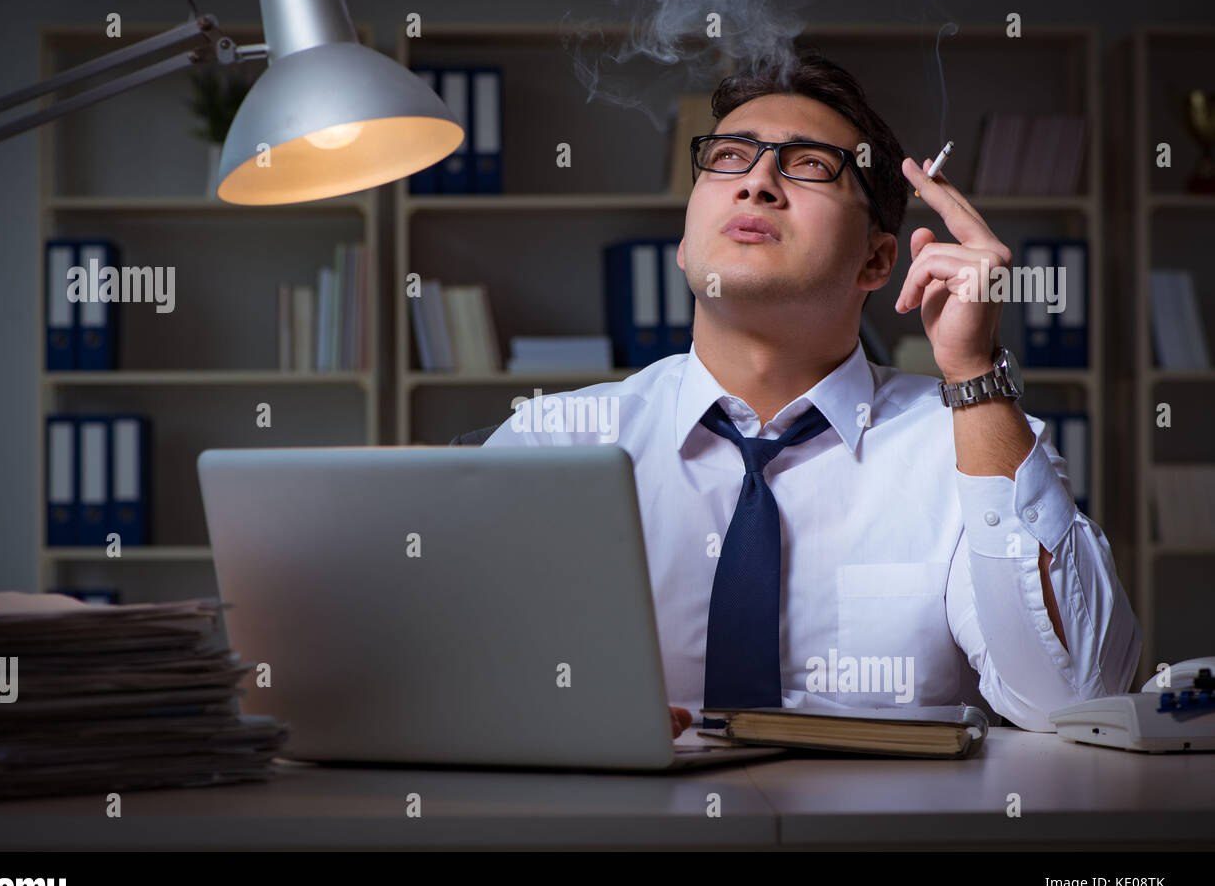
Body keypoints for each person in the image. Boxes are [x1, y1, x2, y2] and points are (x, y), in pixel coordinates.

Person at [482, 50, 1141, 739]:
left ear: (879, 259)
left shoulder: (968, 446)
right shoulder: (553, 440)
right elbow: (446, 668)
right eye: (730, 157)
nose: (757, 182)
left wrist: (974, 372)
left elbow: (1076, 695)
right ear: (684, 242)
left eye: (809, 165)